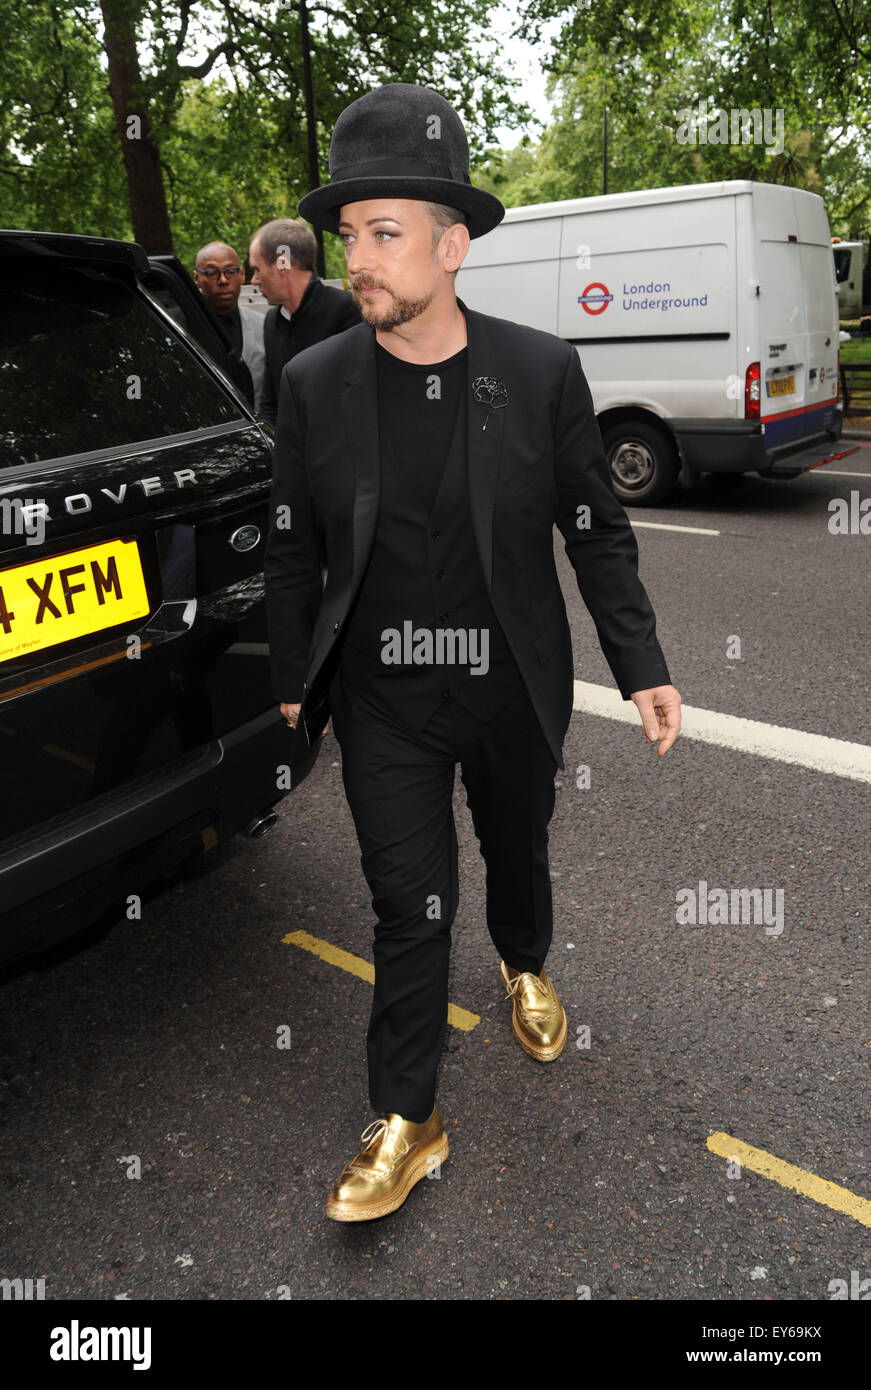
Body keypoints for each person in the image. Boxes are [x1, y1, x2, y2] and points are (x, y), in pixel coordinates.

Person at [263, 83, 682, 1223]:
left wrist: (640, 662)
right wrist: (288, 683)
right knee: (407, 905)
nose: (359, 257)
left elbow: (595, 528)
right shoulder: (312, 384)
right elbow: (295, 551)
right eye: (349, 235)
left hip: (508, 688)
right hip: (384, 699)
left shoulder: (539, 372)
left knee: (517, 857)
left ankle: (524, 959)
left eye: (382, 234)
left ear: (452, 247)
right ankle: (411, 1118)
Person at [249, 218, 361, 427]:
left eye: (257, 269)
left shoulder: (347, 311)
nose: (254, 280)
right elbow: (270, 404)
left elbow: (357, 401)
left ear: (283, 264)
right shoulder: (271, 322)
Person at [193, 241, 266, 412]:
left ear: (241, 275)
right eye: (211, 273)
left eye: (230, 272)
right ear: (197, 278)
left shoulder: (264, 326)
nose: (223, 280)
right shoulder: (182, 329)